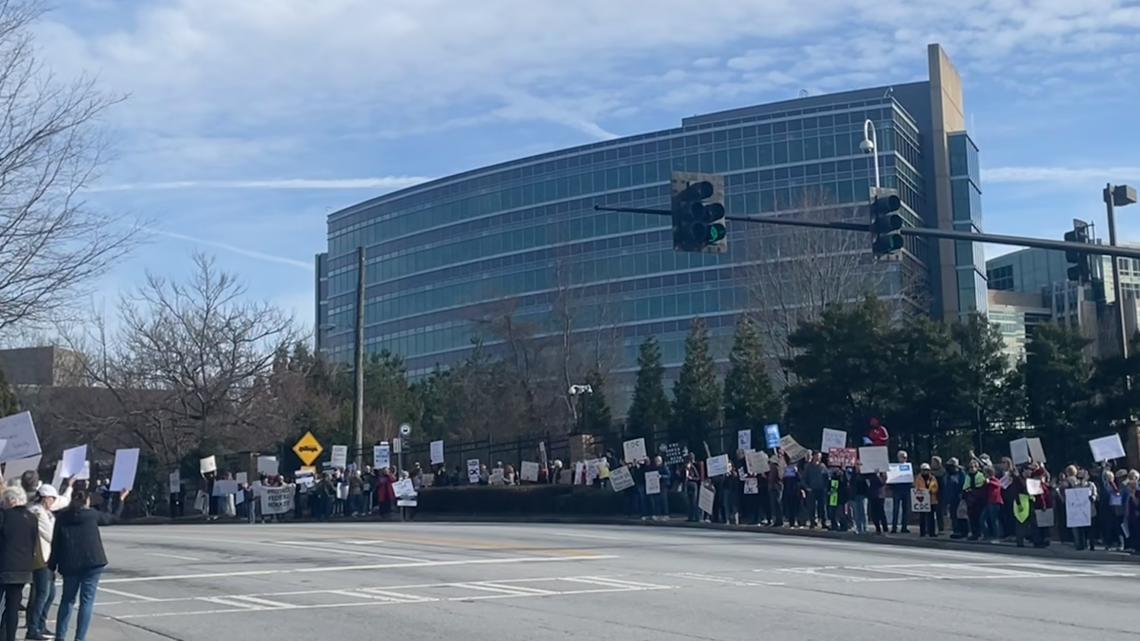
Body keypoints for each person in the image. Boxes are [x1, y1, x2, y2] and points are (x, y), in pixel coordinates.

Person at [50, 488, 121, 641]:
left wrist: (51, 566)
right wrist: (120, 500)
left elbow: (56, 543)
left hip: (70, 563)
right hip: (93, 562)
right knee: (87, 601)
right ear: (87, 500)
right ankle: (80, 638)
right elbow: (112, 518)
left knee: (67, 600)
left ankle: (60, 636)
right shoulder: (91, 515)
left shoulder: (62, 517)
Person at [27, 484, 64, 640]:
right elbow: (50, 534)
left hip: (48, 556)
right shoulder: (37, 513)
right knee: (42, 594)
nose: (53, 502)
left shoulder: (46, 513)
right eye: (52, 498)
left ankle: (40, 625)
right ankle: (33, 628)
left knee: (49, 594)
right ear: (45, 498)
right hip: (40, 557)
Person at [1, 485, 38, 641]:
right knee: (12, 608)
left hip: (4, 566)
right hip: (23, 569)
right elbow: (33, 542)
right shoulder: (32, 518)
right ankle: (9, 637)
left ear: (10, 501)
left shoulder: (4, 516)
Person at [802, 451, 828, 530]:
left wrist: (826, 487)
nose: (818, 458)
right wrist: (807, 487)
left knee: (822, 507)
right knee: (812, 507)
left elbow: (826, 477)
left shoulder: (822, 466)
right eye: (817, 456)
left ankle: (824, 522)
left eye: (819, 456)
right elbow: (804, 479)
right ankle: (812, 523)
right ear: (813, 456)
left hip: (821, 489)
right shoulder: (808, 467)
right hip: (812, 489)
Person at [962, 459, 986, 541]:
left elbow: (981, 486)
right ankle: (974, 533)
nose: (972, 468)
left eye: (974, 467)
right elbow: (965, 487)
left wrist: (972, 490)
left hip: (979, 500)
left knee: (979, 518)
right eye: (970, 467)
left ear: (977, 467)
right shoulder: (968, 476)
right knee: (971, 518)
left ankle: (979, 533)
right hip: (970, 500)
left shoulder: (980, 475)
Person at [942, 457, 966, 539]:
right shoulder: (947, 475)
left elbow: (963, 485)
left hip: (959, 497)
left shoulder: (961, 474)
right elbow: (946, 487)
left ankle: (962, 531)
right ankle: (956, 531)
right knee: (953, 515)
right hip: (951, 497)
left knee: (961, 515)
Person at [915, 463, 939, 538]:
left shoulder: (932, 478)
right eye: (924, 470)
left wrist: (931, 491)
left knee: (931, 517)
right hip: (922, 501)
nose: (925, 471)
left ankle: (932, 532)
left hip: (932, 500)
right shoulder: (918, 478)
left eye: (927, 470)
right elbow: (916, 487)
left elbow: (935, 487)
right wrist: (922, 491)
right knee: (922, 517)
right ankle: (922, 532)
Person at [890, 450, 912, 534]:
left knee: (906, 509)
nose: (904, 459)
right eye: (902, 457)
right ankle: (894, 527)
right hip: (897, 490)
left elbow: (910, 479)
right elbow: (891, 478)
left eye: (905, 457)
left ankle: (904, 527)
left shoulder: (908, 467)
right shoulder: (894, 467)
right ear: (898, 457)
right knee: (895, 509)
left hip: (906, 490)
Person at [982, 466, 1005, 543]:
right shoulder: (986, 481)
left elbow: (998, 485)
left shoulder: (995, 480)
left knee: (994, 520)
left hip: (995, 502)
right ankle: (987, 535)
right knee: (982, 519)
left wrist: (989, 482)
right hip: (988, 502)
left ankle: (998, 536)